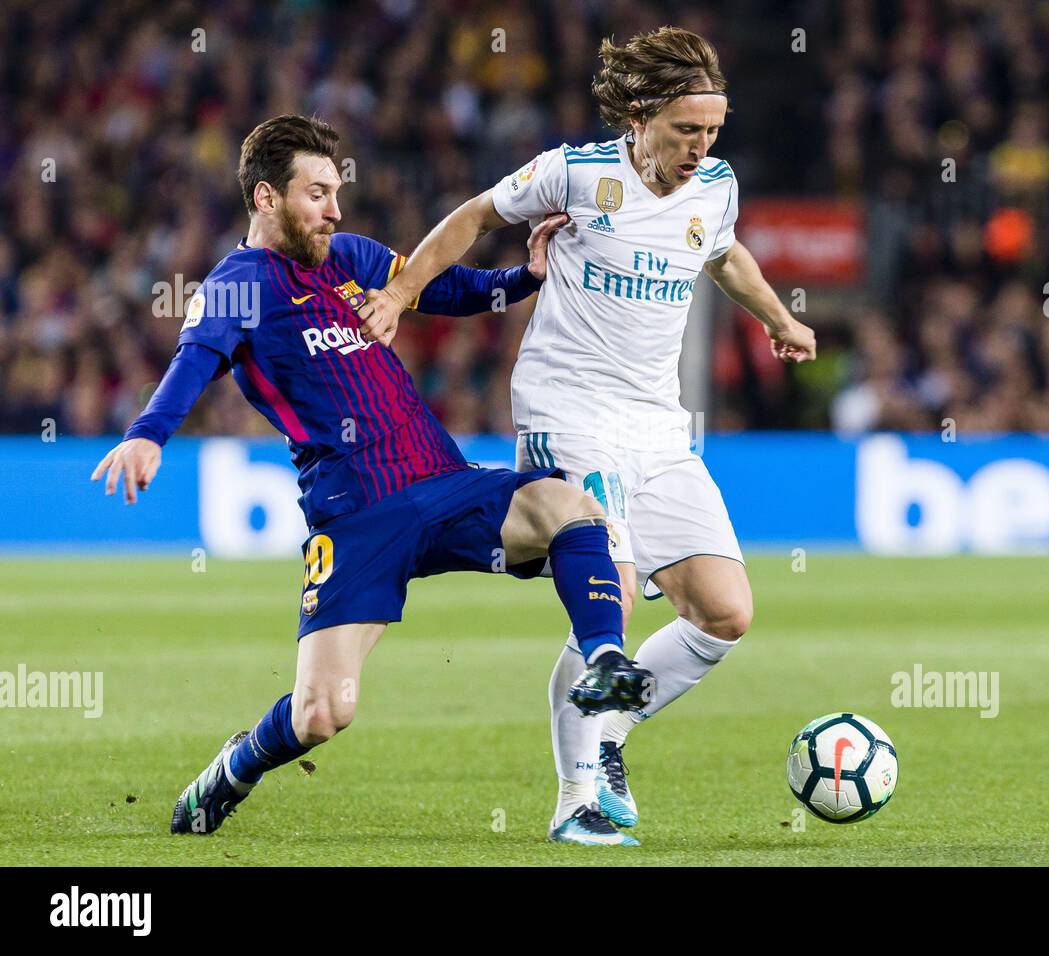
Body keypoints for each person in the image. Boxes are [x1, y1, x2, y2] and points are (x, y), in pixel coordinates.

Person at [90, 114, 653, 846]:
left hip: (441, 481)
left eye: (336, 191)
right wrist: (146, 434)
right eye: (317, 193)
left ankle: (606, 660)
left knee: (570, 508)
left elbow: (439, 289)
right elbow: (195, 359)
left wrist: (523, 279)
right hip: (354, 517)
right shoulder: (239, 283)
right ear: (266, 198)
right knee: (322, 713)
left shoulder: (348, 255)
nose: (335, 209)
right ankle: (235, 767)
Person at [356, 28, 816, 845]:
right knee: (610, 574)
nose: (700, 147)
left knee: (725, 613)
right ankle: (577, 797)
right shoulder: (576, 171)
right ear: (641, 117)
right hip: (565, 408)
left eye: (712, 131)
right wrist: (401, 295)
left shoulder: (716, 186)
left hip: (659, 425)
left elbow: (725, 254)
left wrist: (780, 318)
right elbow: (473, 217)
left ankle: (608, 737)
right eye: (685, 130)